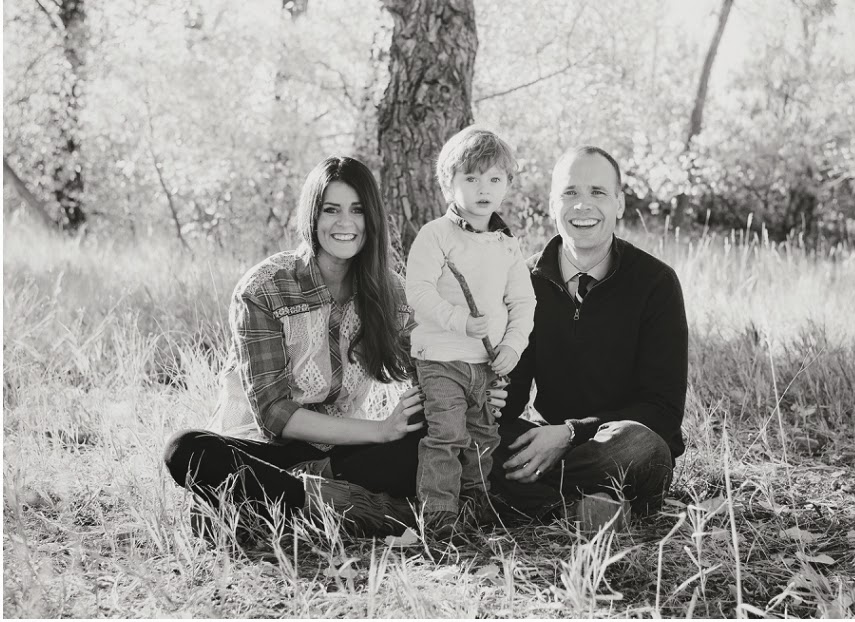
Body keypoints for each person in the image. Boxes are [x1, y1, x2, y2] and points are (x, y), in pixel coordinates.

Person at [163, 156, 507, 540]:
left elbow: (432, 364)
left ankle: (266, 506)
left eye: (357, 210)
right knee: (187, 450)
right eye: (331, 210)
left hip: (337, 458)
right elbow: (274, 415)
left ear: (372, 218)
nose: (345, 223)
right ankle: (352, 508)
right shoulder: (266, 288)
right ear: (313, 216)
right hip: (258, 451)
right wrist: (381, 430)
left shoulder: (388, 291)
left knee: (444, 432)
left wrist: (478, 387)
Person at [490, 145, 688, 527]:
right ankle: (579, 506)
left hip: (615, 448)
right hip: (545, 440)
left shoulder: (655, 284)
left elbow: (663, 411)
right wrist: (485, 389)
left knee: (642, 444)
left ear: (619, 203)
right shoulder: (523, 282)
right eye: (570, 193)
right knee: (470, 436)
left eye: (597, 192)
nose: (583, 205)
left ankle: (527, 497)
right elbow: (512, 402)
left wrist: (569, 433)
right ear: (552, 204)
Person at [405, 126, 536, 536]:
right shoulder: (436, 235)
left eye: (495, 179)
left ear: (507, 185)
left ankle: (476, 504)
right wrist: (459, 321)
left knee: (482, 436)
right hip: (441, 359)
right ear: (449, 183)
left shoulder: (506, 244)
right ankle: (439, 514)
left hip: (486, 360)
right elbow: (419, 291)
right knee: (447, 435)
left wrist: (512, 346)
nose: (484, 188)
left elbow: (523, 303)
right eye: (472, 178)